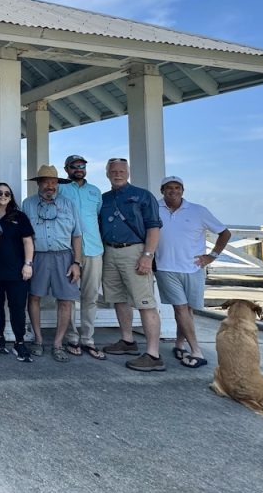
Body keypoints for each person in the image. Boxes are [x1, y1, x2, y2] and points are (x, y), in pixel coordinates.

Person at [156, 176, 231, 369]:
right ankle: (196, 351)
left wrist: (212, 256)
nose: (173, 191)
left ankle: (179, 344)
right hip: (165, 268)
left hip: (193, 268)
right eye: (169, 187)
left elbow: (224, 233)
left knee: (188, 310)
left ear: (183, 190)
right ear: (162, 190)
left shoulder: (198, 211)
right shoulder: (154, 208)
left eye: (177, 187)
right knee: (180, 308)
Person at [98, 158, 165, 372]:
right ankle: (127, 341)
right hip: (109, 251)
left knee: (145, 302)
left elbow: (153, 227)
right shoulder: (104, 198)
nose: (117, 174)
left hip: (135, 251)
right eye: (113, 171)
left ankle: (153, 354)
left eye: (121, 171)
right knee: (118, 299)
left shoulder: (143, 196)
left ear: (127, 172)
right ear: (107, 173)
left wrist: (148, 256)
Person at [21, 165, 83, 363]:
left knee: (65, 300)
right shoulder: (27, 204)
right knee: (34, 297)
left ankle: (58, 344)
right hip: (37, 256)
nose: (50, 185)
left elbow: (77, 235)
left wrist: (76, 262)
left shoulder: (69, 204)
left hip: (63, 256)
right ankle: (38, 340)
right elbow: (23, 236)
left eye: (54, 182)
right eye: (46, 181)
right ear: (38, 183)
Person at [57, 154, 107, 360]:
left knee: (91, 297)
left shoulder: (95, 191)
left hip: (94, 250)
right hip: (68, 251)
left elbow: (98, 216)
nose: (79, 168)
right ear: (66, 169)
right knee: (68, 296)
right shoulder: (60, 189)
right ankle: (72, 337)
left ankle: (88, 338)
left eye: (82, 165)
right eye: (74, 165)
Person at [0, 182, 35, 362]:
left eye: (7, 193)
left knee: (17, 307)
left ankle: (19, 342)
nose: (3, 196)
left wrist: (28, 264)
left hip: (17, 271)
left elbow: (28, 242)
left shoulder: (19, 216)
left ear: (11, 197)